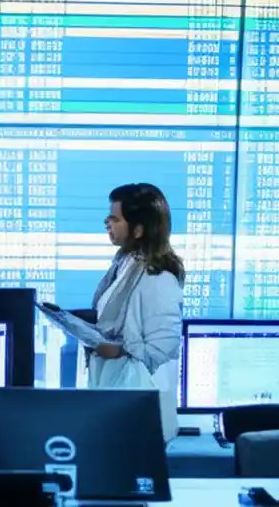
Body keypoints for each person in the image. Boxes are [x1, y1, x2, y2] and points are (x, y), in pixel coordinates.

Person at [86, 182, 185, 441]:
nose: (107, 222)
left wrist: (118, 349)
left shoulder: (158, 277)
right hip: (115, 399)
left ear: (138, 229)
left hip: (137, 410)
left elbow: (164, 347)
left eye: (115, 218)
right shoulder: (123, 265)